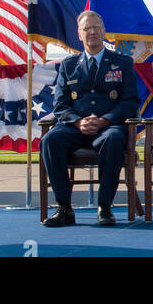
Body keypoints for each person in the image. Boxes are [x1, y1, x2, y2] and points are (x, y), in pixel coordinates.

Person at [41, 11, 140, 227]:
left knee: (114, 139)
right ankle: (64, 208)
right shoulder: (68, 65)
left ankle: (104, 207)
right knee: (50, 140)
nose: (92, 32)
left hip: (108, 128)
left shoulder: (122, 63)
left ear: (104, 32)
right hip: (75, 128)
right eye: (87, 28)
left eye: (96, 27)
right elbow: (60, 105)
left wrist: (105, 120)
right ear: (79, 34)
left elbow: (131, 102)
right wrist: (78, 121)